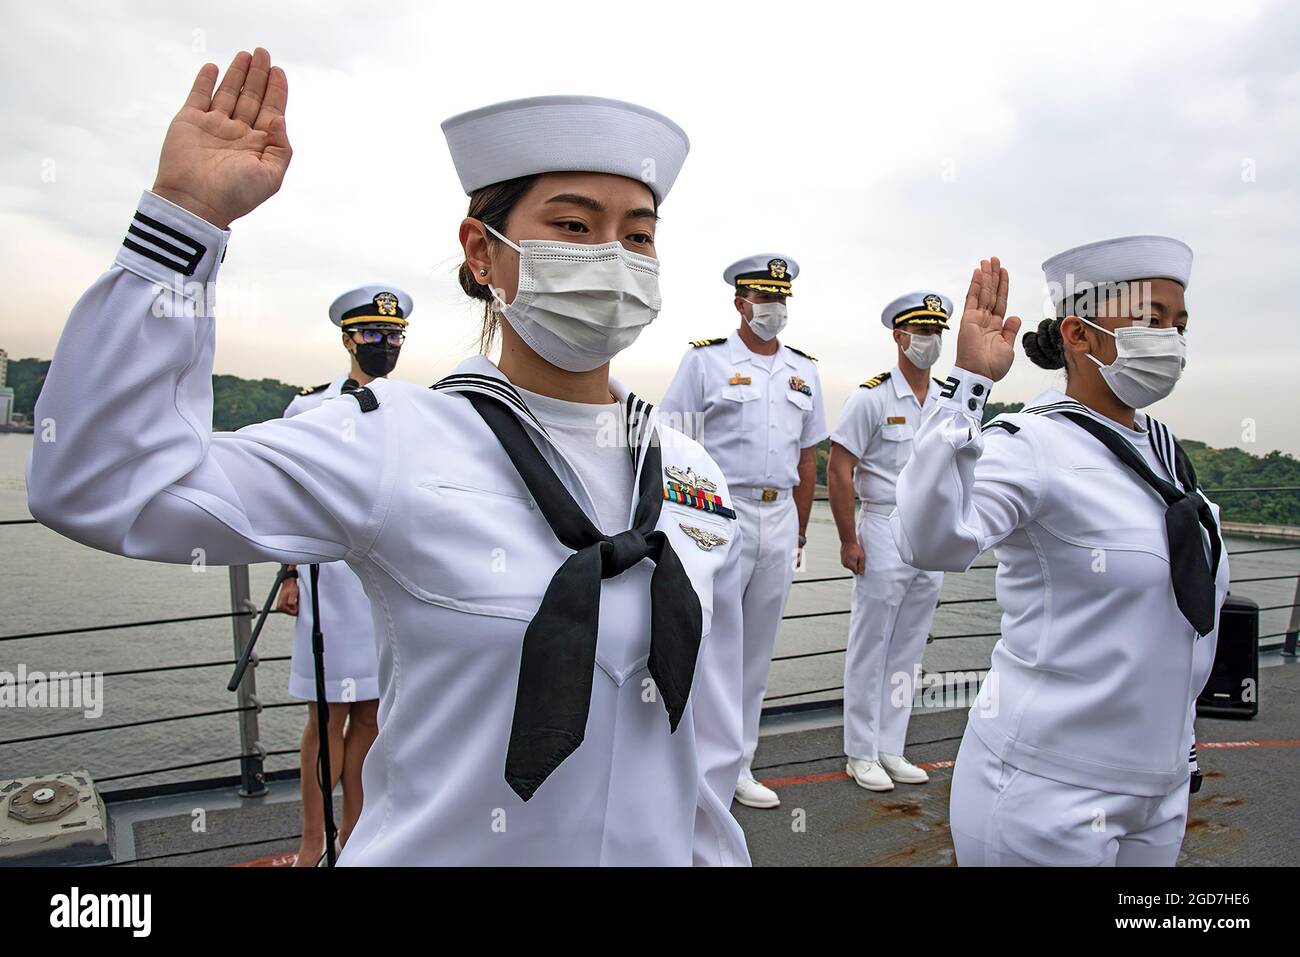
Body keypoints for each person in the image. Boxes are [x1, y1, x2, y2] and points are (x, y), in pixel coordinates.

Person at [27, 49, 749, 866]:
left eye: (639, 235)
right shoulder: (391, 436)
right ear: (483, 252)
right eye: (574, 227)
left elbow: (709, 744)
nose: (611, 258)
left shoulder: (692, 475)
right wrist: (183, 223)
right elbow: (102, 481)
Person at [892, 245, 1226, 866]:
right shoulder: (1031, 443)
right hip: (1050, 786)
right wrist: (968, 387)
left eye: (1180, 327)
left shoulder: (1164, 451)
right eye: (1153, 321)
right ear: (1079, 333)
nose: (1173, 341)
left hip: (1161, 782)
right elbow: (928, 540)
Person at [660, 254, 828, 809]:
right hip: (718, 513)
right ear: (741, 302)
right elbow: (673, 445)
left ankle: (739, 766)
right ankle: (695, 768)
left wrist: (801, 532)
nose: (774, 309)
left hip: (780, 519)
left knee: (756, 652)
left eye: (781, 300)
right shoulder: (705, 362)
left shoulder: (805, 370)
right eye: (765, 299)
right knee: (711, 646)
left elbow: (809, 460)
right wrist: (683, 523)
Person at [273, 284, 412, 865]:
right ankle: (312, 840)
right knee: (326, 718)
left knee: (373, 718)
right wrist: (285, 574)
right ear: (348, 339)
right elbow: (284, 501)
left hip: (381, 584)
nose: (385, 345)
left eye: (394, 336)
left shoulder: (411, 409)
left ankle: (354, 838)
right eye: (374, 335)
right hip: (328, 583)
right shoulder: (311, 409)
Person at [827, 291, 950, 792]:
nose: (930, 341)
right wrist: (847, 538)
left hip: (929, 531)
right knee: (871, 642)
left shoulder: (945, 400)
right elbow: (839, 468)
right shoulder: (870, 397)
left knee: (909, 645)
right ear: (899, 337)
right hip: (880, 525)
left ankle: (891, 747)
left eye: (936, 332)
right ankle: (860, 751)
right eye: (921, 332)